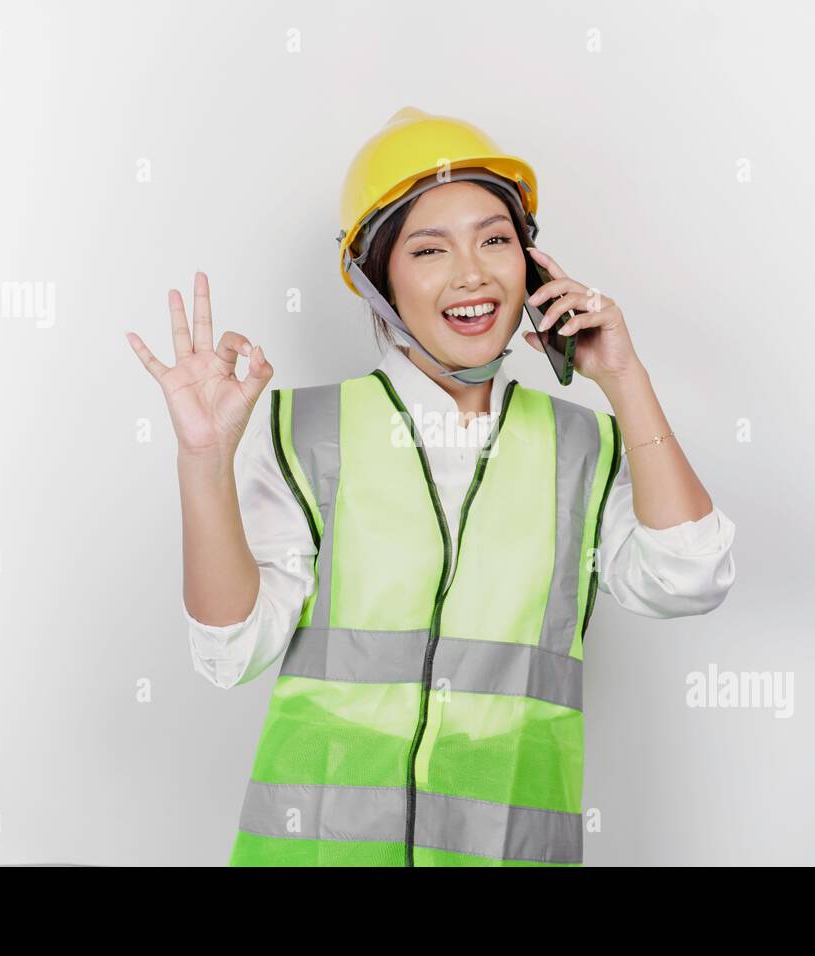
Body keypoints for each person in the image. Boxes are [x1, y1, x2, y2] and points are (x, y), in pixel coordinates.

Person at [126, 107, 736, 866]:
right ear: (374, 281)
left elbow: (691, 577)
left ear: (533, 264)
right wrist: (204, 463)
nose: (472, 273)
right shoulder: (303, 433)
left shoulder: (586, 447)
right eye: (428, 249)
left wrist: (625, 378)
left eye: (495, 239)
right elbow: (231, 653)